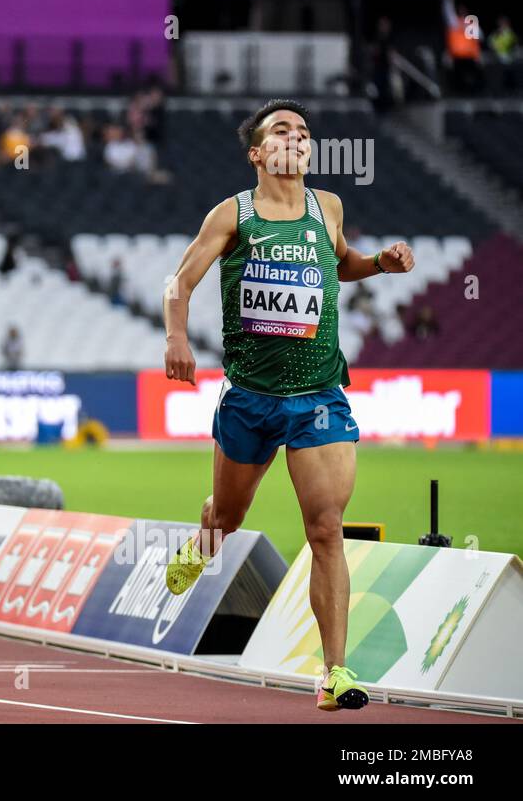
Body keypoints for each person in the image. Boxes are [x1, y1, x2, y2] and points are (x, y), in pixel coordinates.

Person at [161, 99, 414, 712]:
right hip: (249, 396)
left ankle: (335, 674)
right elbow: (181, 282)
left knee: (326, 528)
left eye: (303, 132)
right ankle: (205, 537)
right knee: (229, 518)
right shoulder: (233, 214)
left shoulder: (329, 207)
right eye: (282, 131)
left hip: (319, 395)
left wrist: (378, 263)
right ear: (257, 153)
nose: (297, 138)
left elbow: (339, 261)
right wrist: (176, 336)